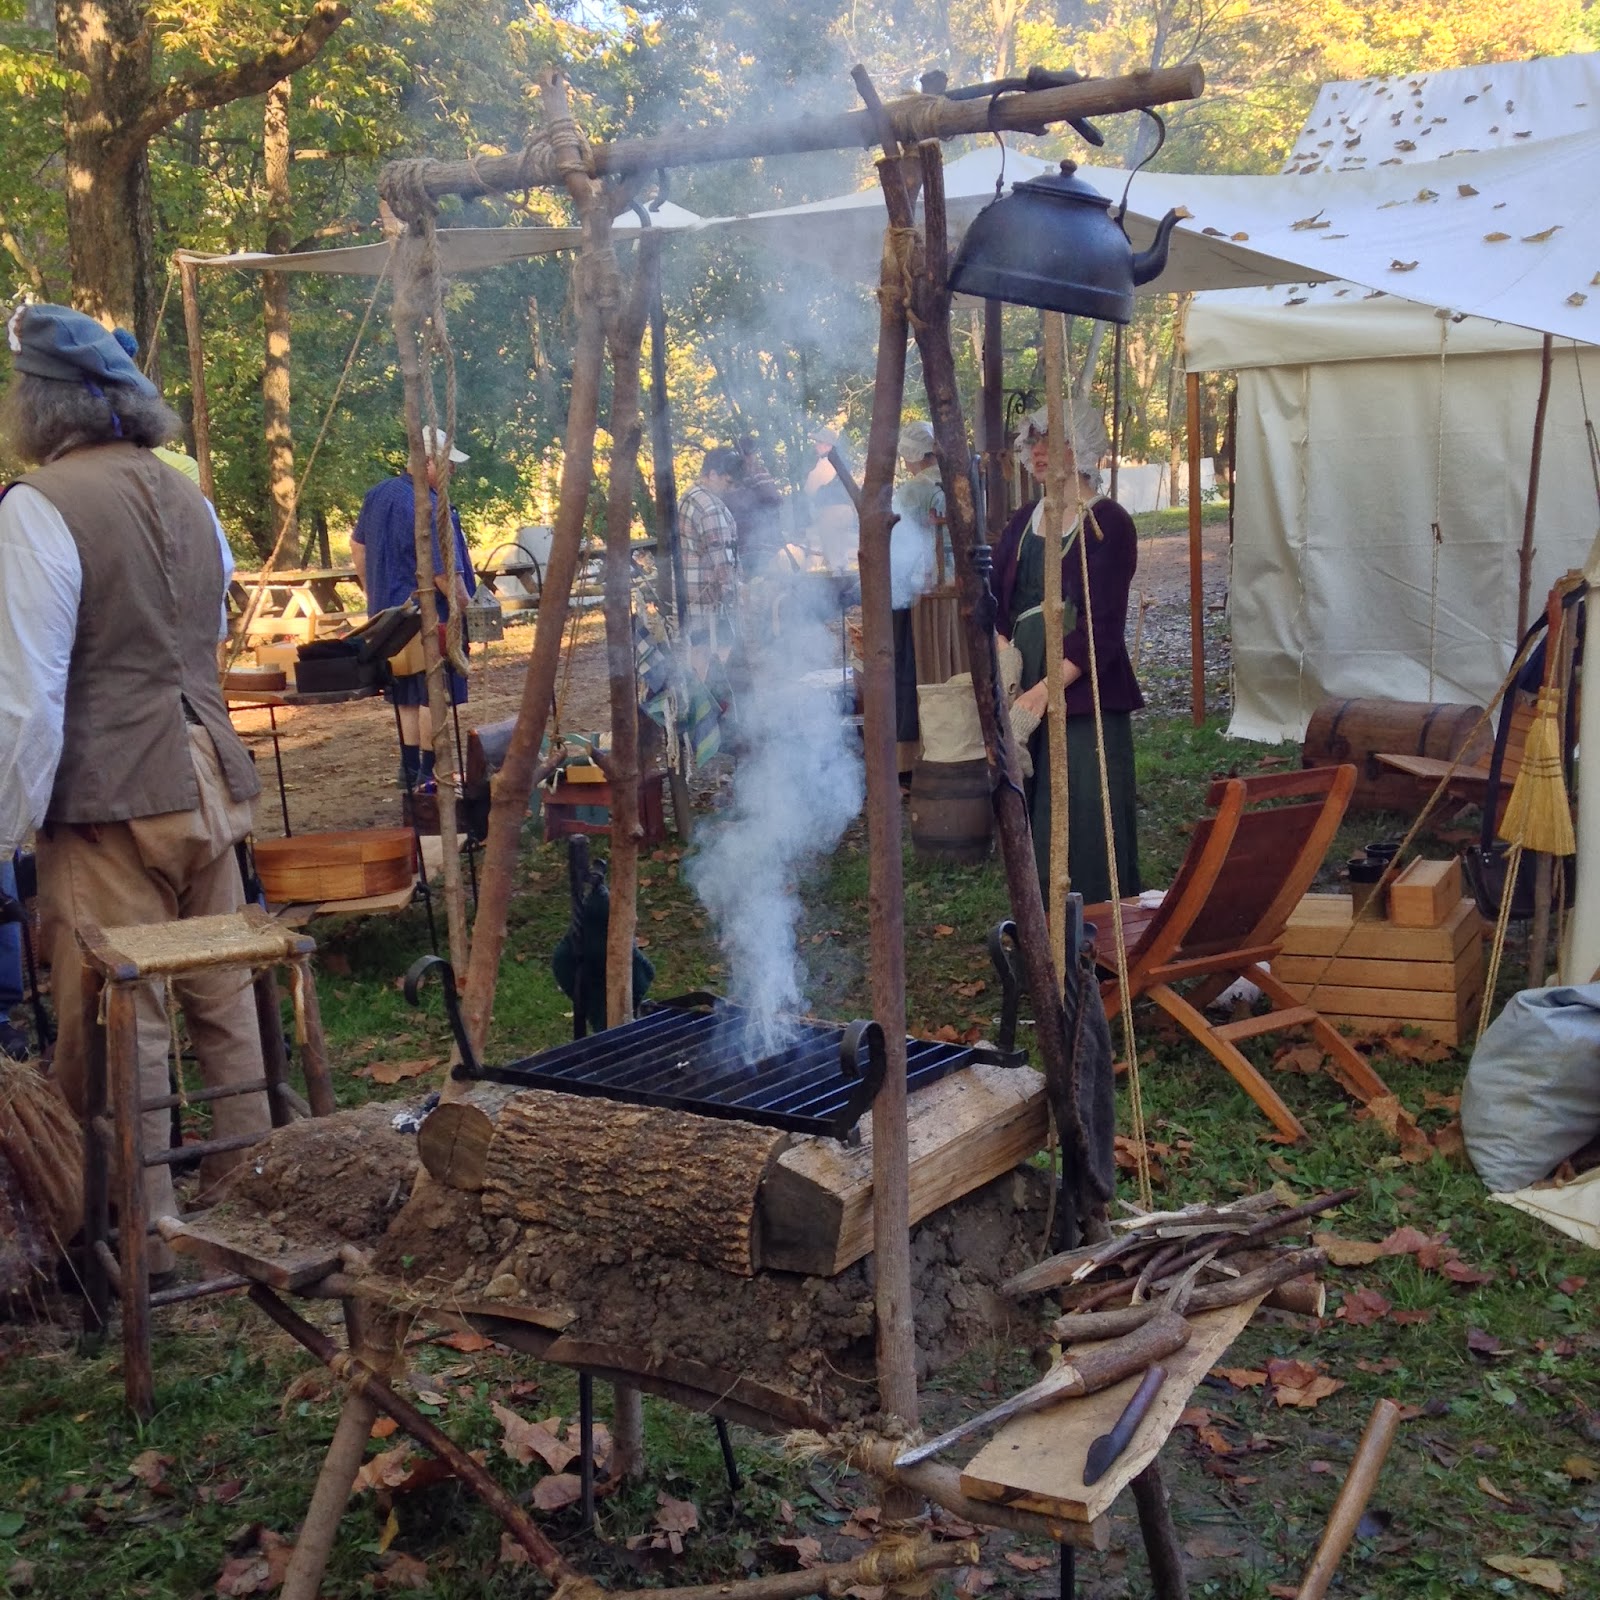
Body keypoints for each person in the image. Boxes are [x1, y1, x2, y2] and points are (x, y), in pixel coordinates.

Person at [0, 302, 270, 1266]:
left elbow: (26, 698)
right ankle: (257, 1204)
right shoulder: (189, 499)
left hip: (113, 797)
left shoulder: (40, 506)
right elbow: (201, 632)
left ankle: (146, 1240)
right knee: (224, 998)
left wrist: (8, 833)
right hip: (209, 782)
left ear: (38, 402)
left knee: (124, 1019)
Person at [993, 405, 1143, 905]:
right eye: (1031, 441)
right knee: (1033, 803)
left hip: (1082, 686)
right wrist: (1007, 664)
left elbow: (1102, 629)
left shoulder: (1107, 523)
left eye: (1051, 442)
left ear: (1079, 452)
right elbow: (997, 602)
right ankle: (1043, 925)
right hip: (1026, 675)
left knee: (1082, 803)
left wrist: (1041, 694)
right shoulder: (1024, 520)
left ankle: (1097, 926)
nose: (1037, 452)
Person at [351, 427, 477, 792]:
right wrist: (466, 608)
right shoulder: (429, 505)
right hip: (428, 618)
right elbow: (442, 573)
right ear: (426, 461)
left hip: (388, 619)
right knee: (430, 691)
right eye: (447, 464)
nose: (452, 472)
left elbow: (357, 546)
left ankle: (408, 770)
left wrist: (372, 590)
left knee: (406, 692)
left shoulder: (378, 495)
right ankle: (428, 774)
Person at [889, 420, 944, 776]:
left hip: (914, 593)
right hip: (945, 590)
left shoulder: (912, 491)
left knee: (908, 673)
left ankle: (908, 763)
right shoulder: (955, 481)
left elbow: (896, 545)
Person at [675, 445, 740, 653]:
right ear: (712, 474)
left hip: (691, 595)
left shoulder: (689, 496)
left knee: (697, 651)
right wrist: (734, 594)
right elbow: (722, 558)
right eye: (728, 482)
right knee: (717, 655)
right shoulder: (709, 507)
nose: (730, 489)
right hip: (710, 601)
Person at [723, 433, 784, 574]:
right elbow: (774, 499)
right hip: (756, 541)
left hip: (748, 542)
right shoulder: (756, 473)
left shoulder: (733, 477)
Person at [801, 423, 857, 571]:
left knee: (833, 559)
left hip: (831, 512)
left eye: (818, 442)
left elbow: (810, 488)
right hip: (845, 512)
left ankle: (837, 587)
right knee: (840, 555)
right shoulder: (841, 461)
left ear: (827, 445)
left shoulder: (827, 463)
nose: (816, 446)